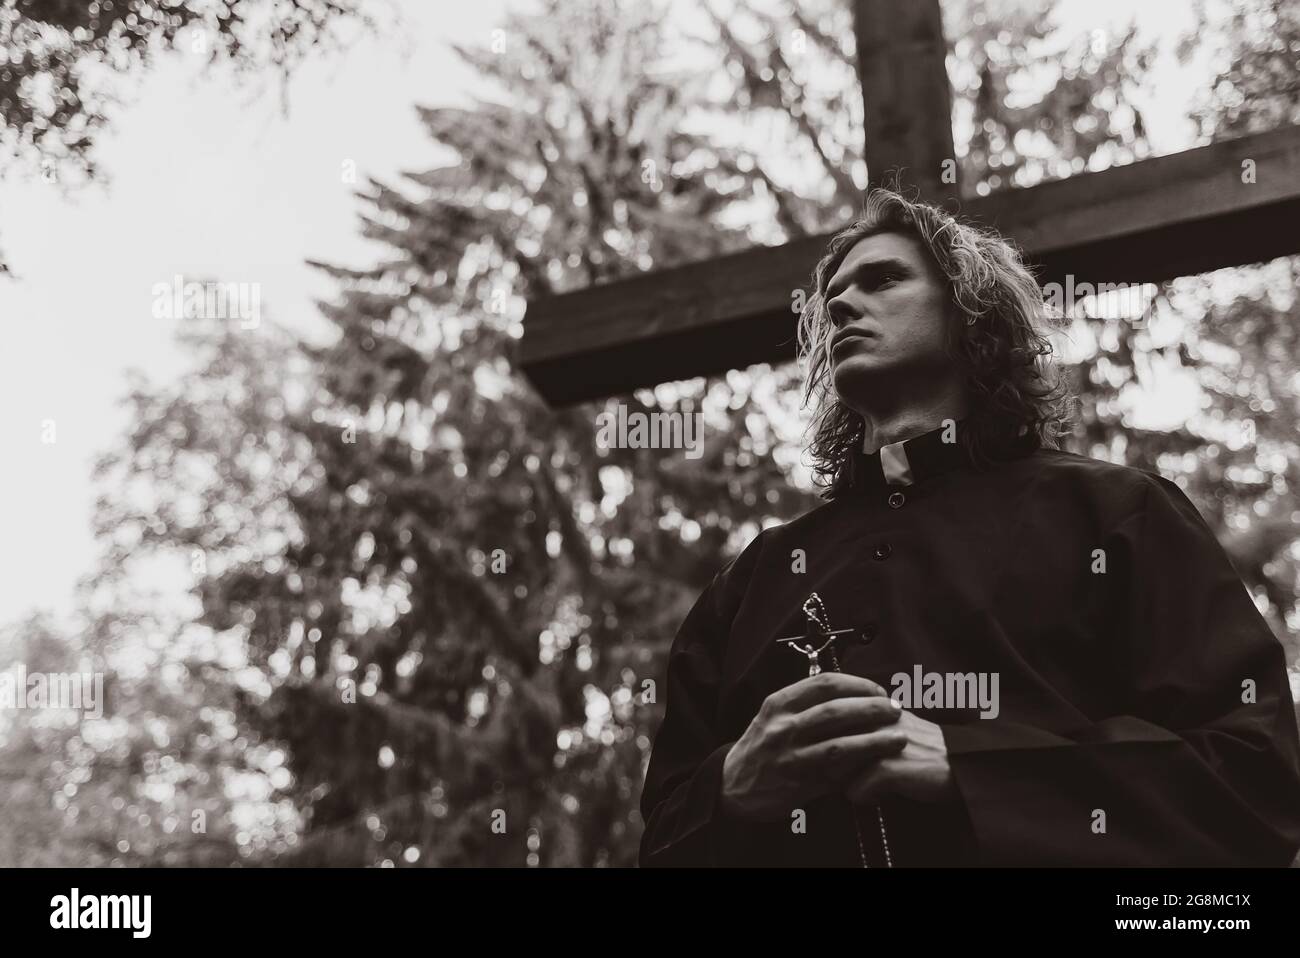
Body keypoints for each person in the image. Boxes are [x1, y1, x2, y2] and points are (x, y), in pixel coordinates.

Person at [637, 187, 1300, 867]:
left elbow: (1252, 779)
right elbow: (659, 842)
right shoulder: (752, 582)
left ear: (970, 314)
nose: (837, 305)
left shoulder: (1116, 515)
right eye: (830, 295)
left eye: (884, 278)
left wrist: (971, 768)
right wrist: (729, 791)